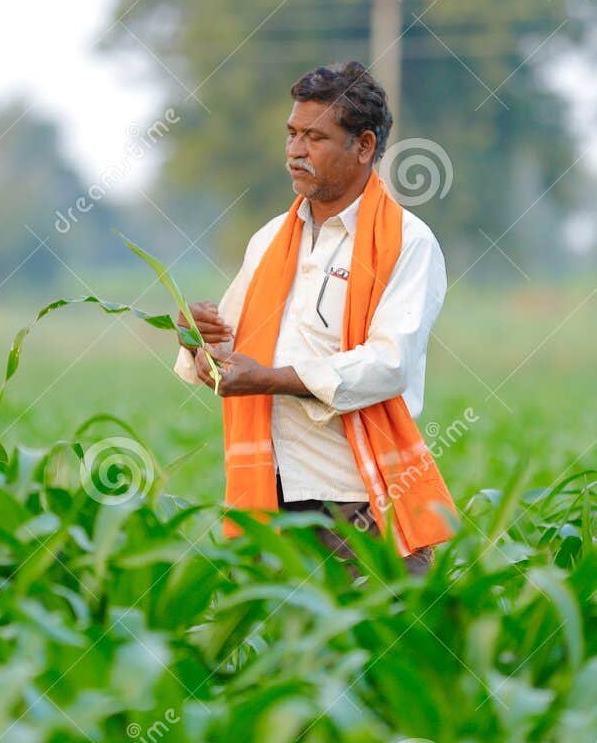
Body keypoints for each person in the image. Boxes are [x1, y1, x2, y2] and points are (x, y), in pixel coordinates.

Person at [173, 61, 457, 577]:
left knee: (380, 648)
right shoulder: (268, 241)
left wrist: (271, 379)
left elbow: (387, 365)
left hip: (364, 501)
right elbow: (225, 362)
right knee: (280, 652)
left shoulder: (408, 243)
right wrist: (194, 339)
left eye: (315, 137)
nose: (295, 151)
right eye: (291, 134)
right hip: (272, 502)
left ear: (364, 147)